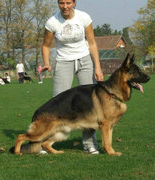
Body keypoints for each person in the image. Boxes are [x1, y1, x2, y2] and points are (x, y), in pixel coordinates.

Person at [41, 0, 104, 154]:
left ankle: (89, 143)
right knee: (58, 103)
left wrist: (98, 67)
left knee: (89, 104)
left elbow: (92, 43)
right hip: (63, 62)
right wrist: (47, 62)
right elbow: (46, 45)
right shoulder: (52, 22)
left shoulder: (84, 18)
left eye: (68, 2)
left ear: (74, 3)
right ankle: (45, 142)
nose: (65, 6)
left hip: (85, 61)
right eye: (61, 3)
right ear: (58, 4)